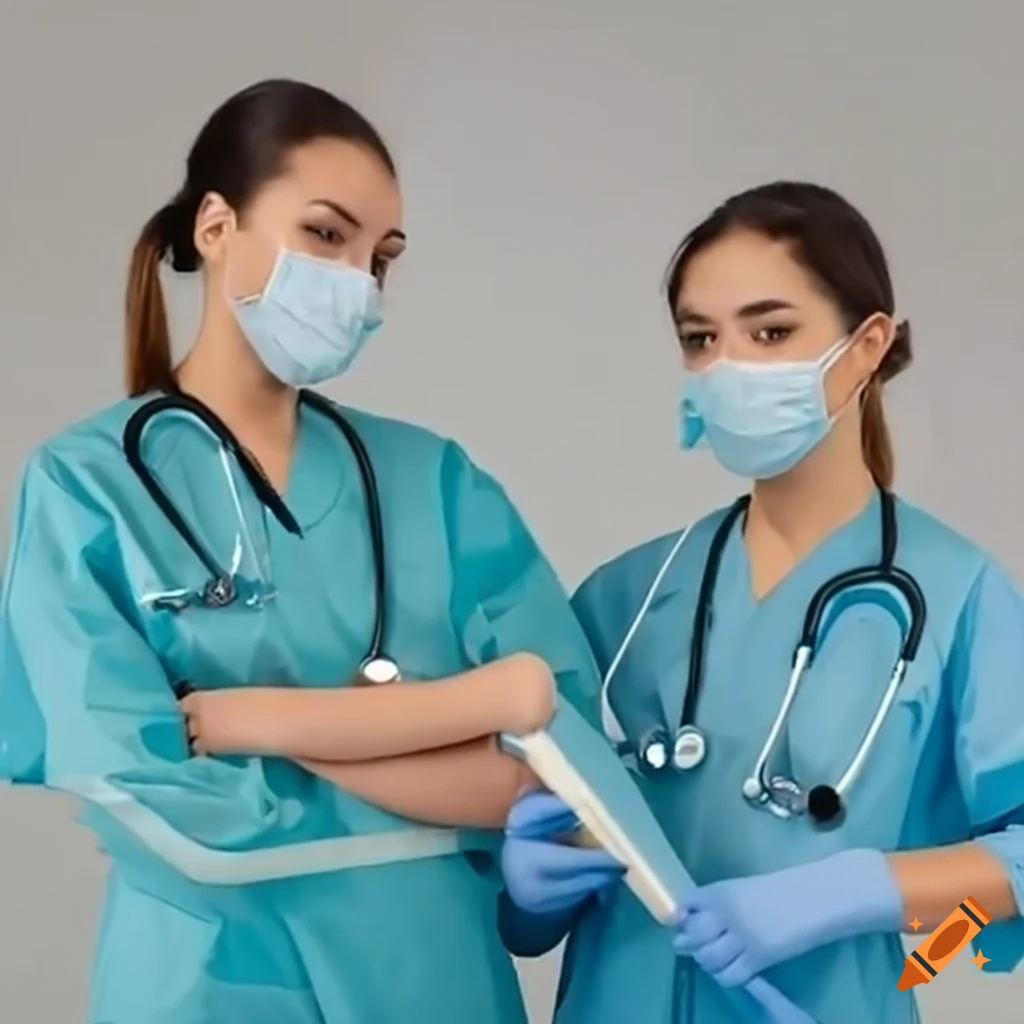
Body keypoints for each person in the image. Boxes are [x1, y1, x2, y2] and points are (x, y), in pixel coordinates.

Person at [0, 78, 602, 1024]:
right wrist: (442, 763)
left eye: (381, 259)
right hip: (208, 983)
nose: (358, 283)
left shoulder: (435, 483)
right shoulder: (87, 486)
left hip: (434, 978)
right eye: (327, 235)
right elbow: (154, 793)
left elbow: (562, 764)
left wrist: (261, 723)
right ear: (215, 226)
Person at [497, 182, 1024, 1023]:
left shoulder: (958, 597)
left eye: (770, 331)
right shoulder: (626, 599)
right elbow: (529, 903)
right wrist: (528, 894)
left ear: (867, 345)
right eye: (700, 338)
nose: (729, 364)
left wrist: (856, 899)